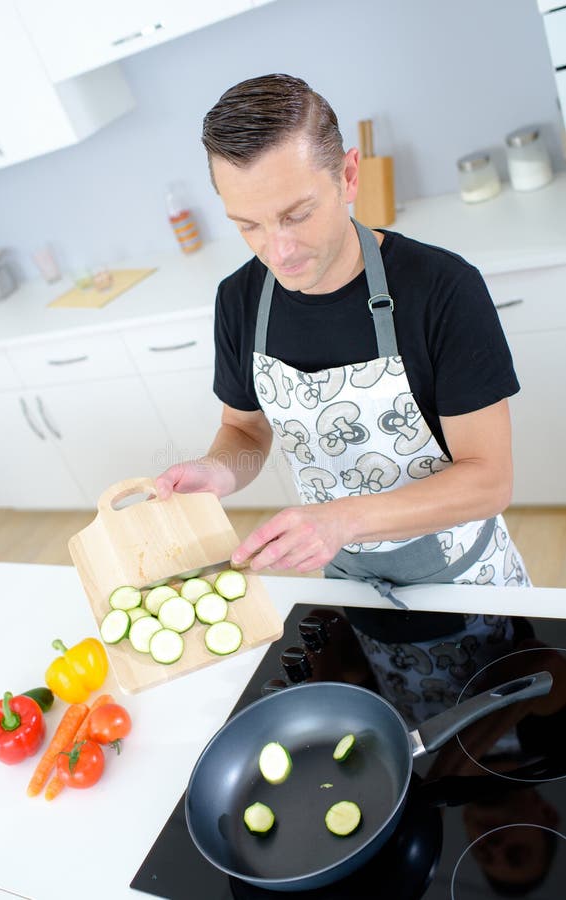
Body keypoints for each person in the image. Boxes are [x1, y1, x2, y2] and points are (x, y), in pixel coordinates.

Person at [156, 73, 529, 589]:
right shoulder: (239, 300)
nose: (278, 250)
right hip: (348, 581)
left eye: (298, 214)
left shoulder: (443, 289)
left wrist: (340, 520)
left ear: (348, 176)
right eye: (248, 225)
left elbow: (488, 479)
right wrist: (218, 470)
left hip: (466, 582)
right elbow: (245, 430)